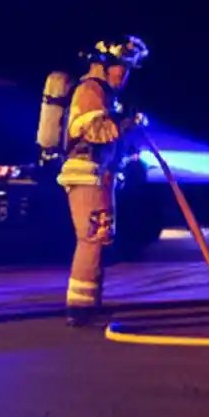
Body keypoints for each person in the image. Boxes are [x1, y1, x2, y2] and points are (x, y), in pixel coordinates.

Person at [57, 35, 149, 327]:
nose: (126, 75)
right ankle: (80, 309)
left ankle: (89, 303)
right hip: (86, 173)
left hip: (97, 173)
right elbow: (98, 131)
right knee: (92, 237)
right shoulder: (90, 91)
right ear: (107, 65)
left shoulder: (104, 93)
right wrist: (128, 124)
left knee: (99, 237)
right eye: (123, 67)